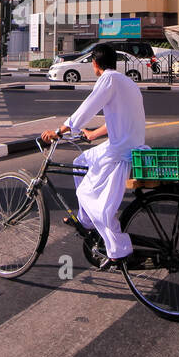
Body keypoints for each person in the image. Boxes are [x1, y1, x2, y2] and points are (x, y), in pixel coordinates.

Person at [41, 44, 148, 269]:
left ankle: (118, 250)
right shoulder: (125, 81)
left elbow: (86, 108)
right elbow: (117, 119)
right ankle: (86, 220)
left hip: (120, 151)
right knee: (80, 162)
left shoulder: (107, 79)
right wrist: (92, 134)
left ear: (95, 63)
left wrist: (59, 131)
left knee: (88, 194)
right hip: (129, 144)